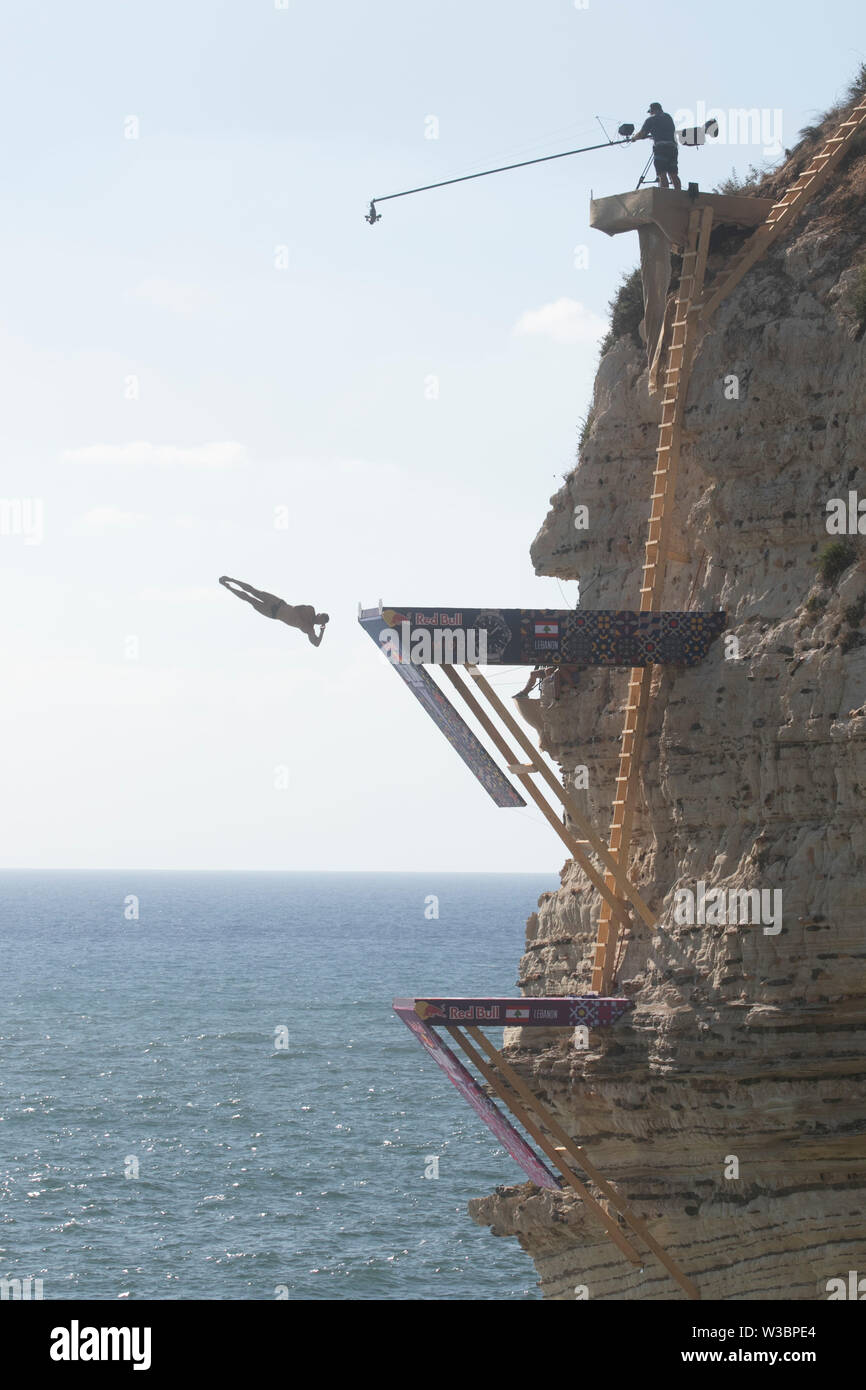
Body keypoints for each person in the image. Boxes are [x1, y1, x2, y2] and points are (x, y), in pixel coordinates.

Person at [219, 576, 329, 646]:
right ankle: (231, 580)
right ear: (319, 614)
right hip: (278, 603)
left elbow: (316, 644)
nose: (319, 620)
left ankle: (229, 587)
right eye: (321, 617)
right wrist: (304, 620)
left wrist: (322, 631)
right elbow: (297, 608)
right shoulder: (311, 610)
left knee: (249, 600)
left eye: (321, 621)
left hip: (273, 614)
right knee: (255, 591)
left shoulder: (309, 629)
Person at [631, 102, 681, 191]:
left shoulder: (651, 119)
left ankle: (664, 195)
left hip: (661, 149)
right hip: (673, 148)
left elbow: (642, 134)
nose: (650, 113)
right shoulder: (668, 117)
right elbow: (665, 131)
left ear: (653, 110)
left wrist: (634, 138)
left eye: (650, 111)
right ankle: (679, 193)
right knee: (673, 174)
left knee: (662, 174)